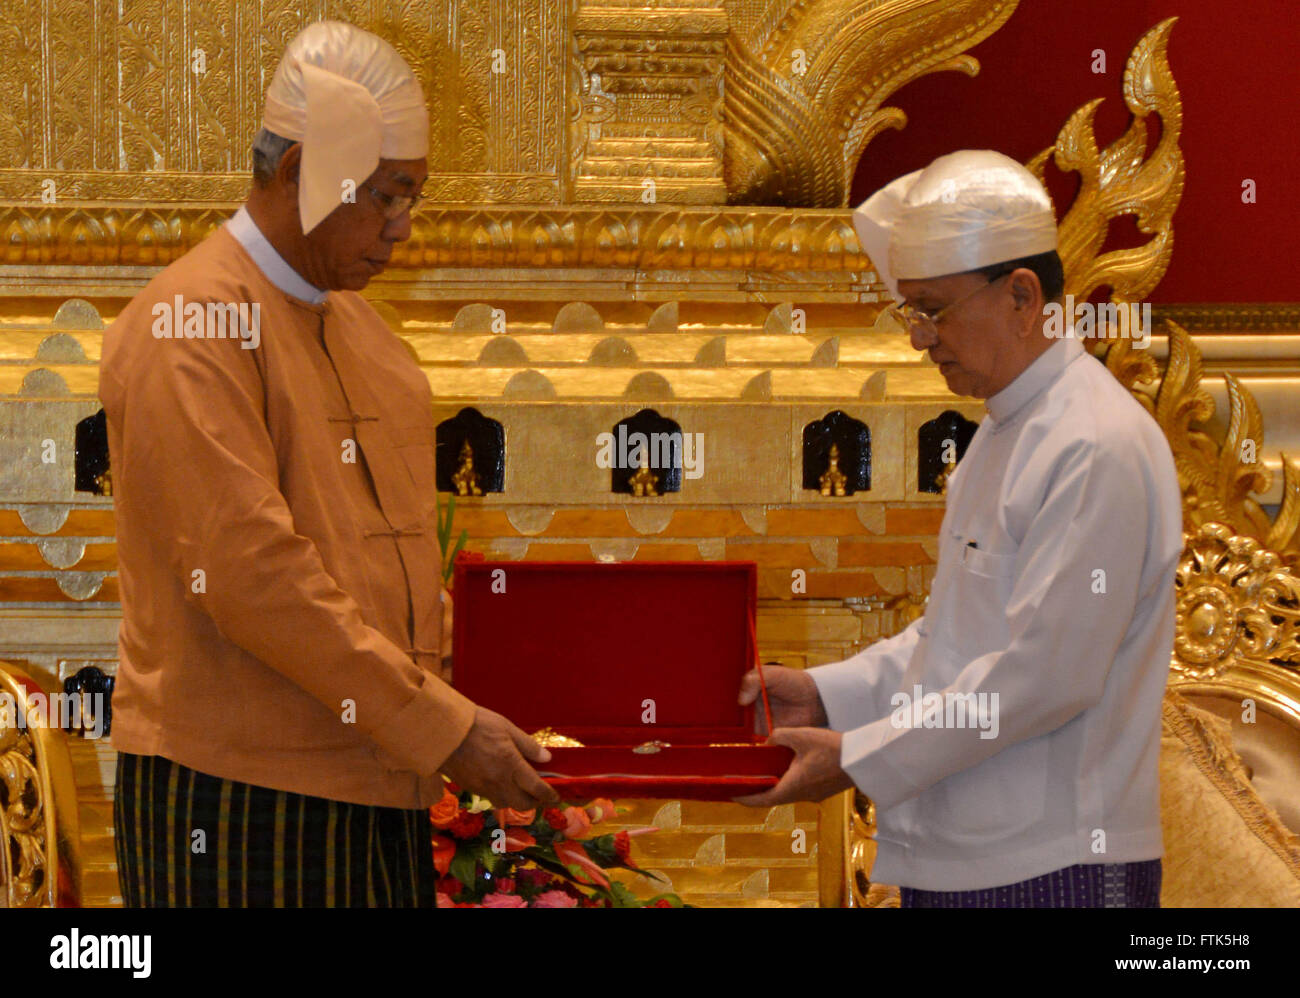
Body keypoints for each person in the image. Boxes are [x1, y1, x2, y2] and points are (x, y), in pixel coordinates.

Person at [101, 20, 557, 909]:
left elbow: (379, 570)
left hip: (382, 777)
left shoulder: (370, 339)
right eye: (385, 196)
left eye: (413, 196)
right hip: (237, 794)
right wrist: (443, 726)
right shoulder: (188, 325)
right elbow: (251, 578)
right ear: (295, 172)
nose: (404, 228)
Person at [736, 150, 1183, 908]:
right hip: (967, 857)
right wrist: (824, 695)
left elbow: (1043, 678)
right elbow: (950, 642)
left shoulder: (1094, 441)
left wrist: (857, 758)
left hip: (1055, 865)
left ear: (1020, 293)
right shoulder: (1005, 431)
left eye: (934, 311)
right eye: (909, 311)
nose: (918, 338)